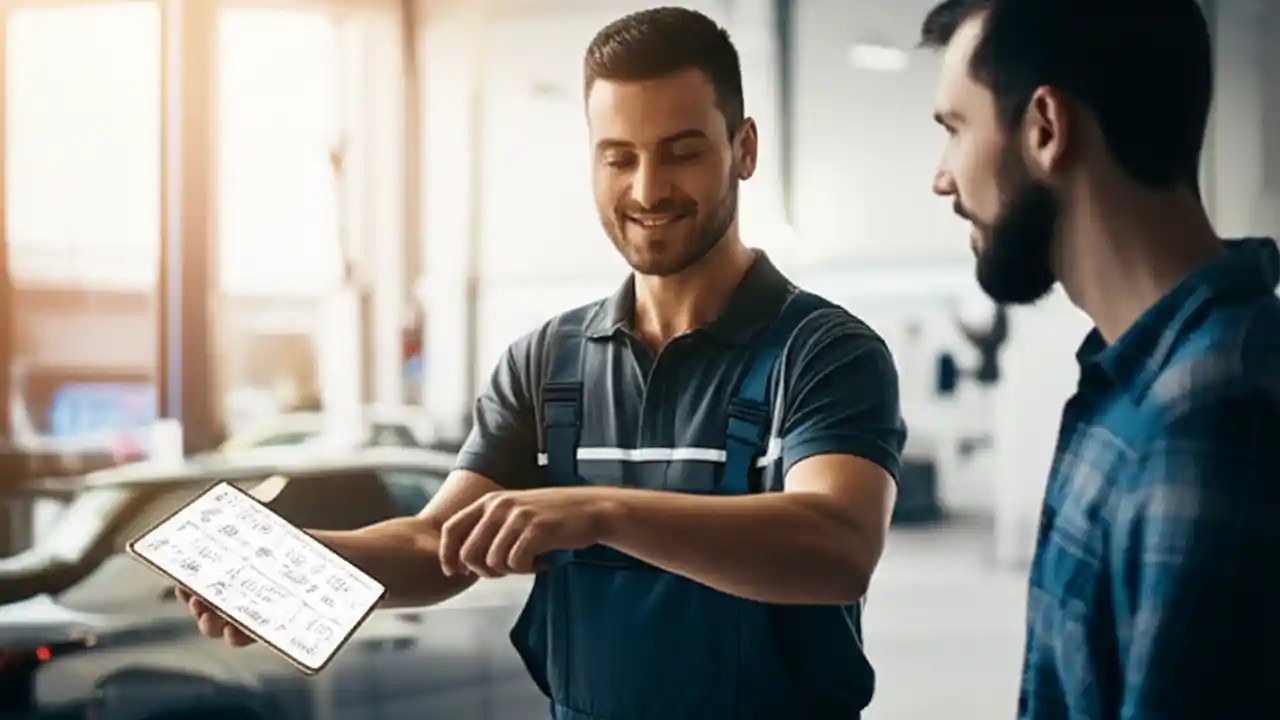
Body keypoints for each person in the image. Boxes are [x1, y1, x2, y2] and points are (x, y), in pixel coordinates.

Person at [181, 7, 906, 719]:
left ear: (743, 149)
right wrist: (305, 561)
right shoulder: (547, 363)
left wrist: (599, 511)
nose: (648, 189)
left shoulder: (822, 353)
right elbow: (439, 542)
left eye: (681, 152)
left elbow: (837, 546)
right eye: (619, 157)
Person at [920, 0, 1280, 718]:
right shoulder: (1136, 386)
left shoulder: (1208, 422)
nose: (942, 178)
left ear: (1045, 129)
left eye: (955, 129)